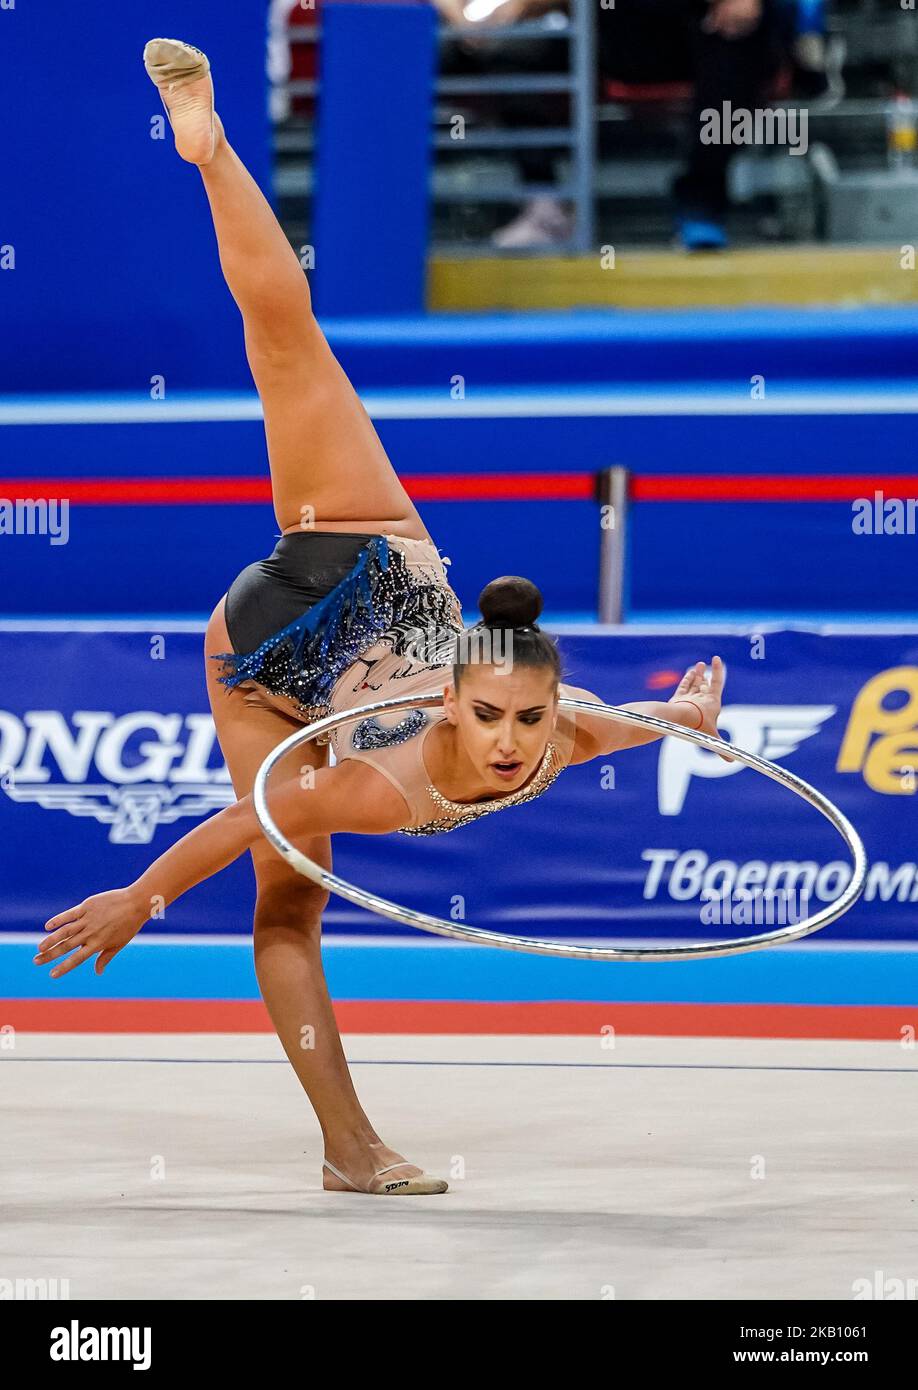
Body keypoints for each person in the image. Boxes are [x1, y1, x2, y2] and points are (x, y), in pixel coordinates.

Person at [34, 38, 731, 1197]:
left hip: (249, 661)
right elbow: (250, 813)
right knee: (287, 342)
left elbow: (636, 722)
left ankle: (348, 1150)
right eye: (495, 715)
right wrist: (139, 898)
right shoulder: (389, 785)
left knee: (289, 914)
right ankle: (207, 151)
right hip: (361, 557)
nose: (512, 742)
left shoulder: (561, 729)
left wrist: (684, 712)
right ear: (456, 693)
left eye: (527, 721)